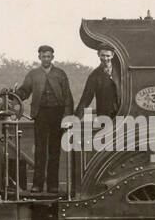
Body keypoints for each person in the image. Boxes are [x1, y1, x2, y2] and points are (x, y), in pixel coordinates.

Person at [12, 45, 73, 193]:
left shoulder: (60, 74)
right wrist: (15, 95)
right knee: (40, 151)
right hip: (40, 115)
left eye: (48, 56)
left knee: (54, 151)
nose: (46, 59)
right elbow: (25, 91)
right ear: (39, 57)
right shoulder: (33, 74)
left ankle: (53, 185)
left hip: (57, 115)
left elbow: (67, 98)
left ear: (52, 57)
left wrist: (67, 117)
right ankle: (37, 185)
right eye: (43, 56)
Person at [76, 47, 120, 118]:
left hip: (123, 114)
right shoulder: (94, 75)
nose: (105, 58)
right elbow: (85, 99)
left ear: (112, 55)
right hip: (104, 117)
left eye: (108, 56)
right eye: (103, 55)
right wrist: (76, 119)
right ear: (98, 54)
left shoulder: (120, 72)